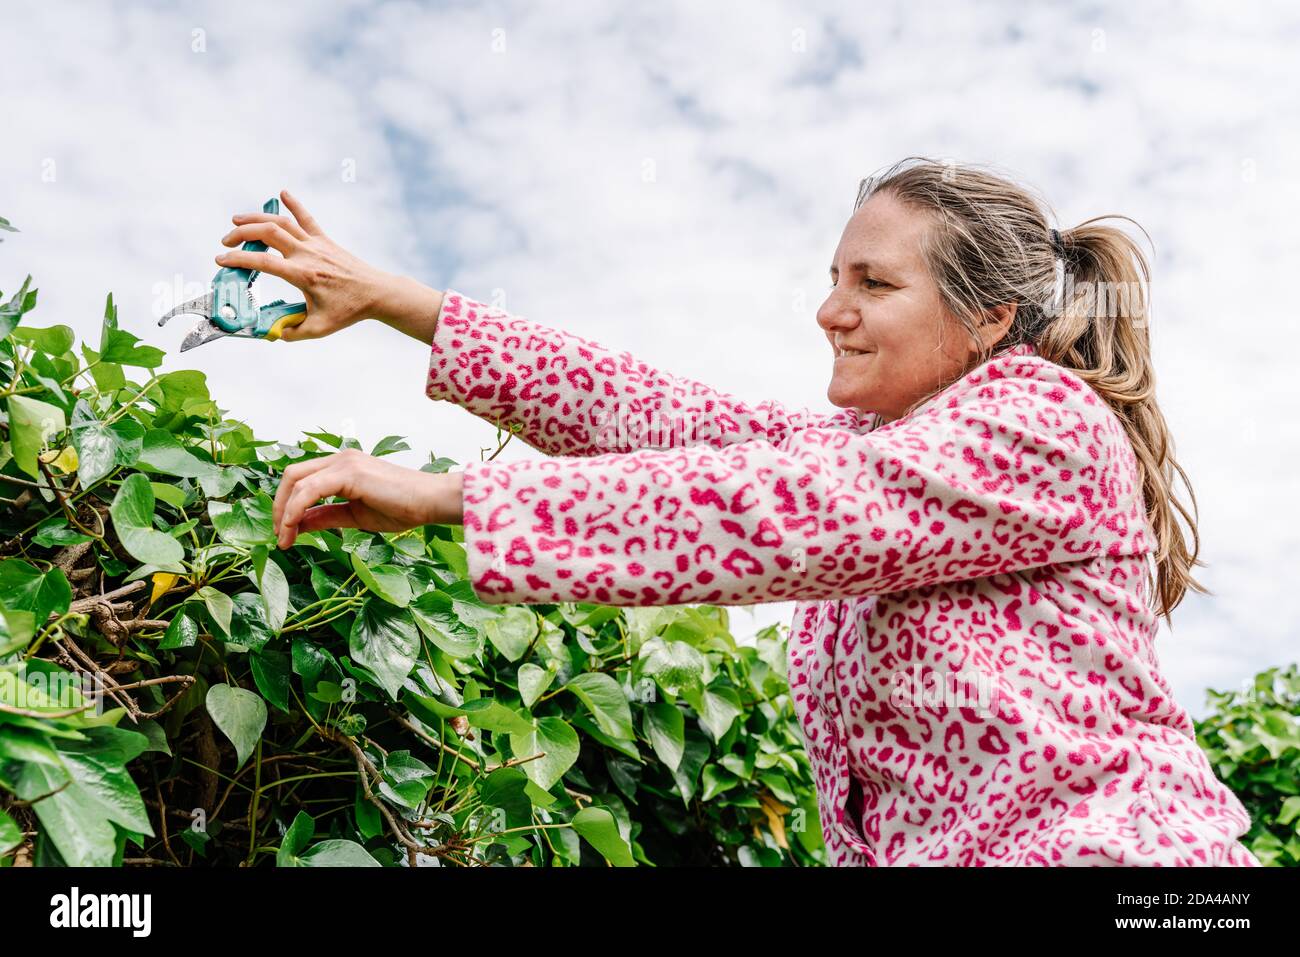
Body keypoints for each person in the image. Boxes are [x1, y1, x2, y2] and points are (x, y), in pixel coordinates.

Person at [217, 158, 1261, 866]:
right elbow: (658, 418)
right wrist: (392, 298)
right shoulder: (869, 448)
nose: (829, 309)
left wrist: (449, 496)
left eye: (874, 283)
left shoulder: (1039, 421)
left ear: (987, 319)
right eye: (830, 278)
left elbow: (769, 511)